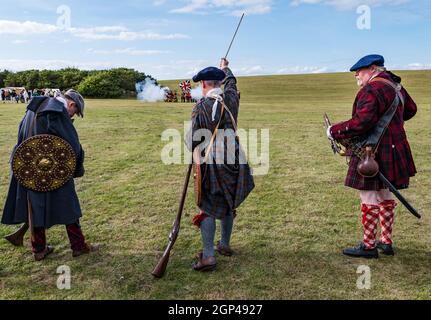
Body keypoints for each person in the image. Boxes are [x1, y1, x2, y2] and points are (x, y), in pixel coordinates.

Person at [327, 54, 417, 258]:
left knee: (368, 194)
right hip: (394, 147)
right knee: (385, 193)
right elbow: (411, 110)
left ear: (374, 68)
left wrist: (333, 131)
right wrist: (391, 123)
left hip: (372, 150)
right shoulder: (396, 86)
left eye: (360, 71)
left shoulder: (371, 89)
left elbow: (361, 123)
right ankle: (385, 241)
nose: (356, 75)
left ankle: (368, 246)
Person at [2, 89, 99, 261]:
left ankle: (38, 249)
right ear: (71, 104)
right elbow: (73, 145)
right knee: (69, 206)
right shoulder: (58, 111)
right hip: (55, 169)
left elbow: (21, 137)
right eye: (74, 112)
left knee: (36, 207)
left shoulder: (33, 107)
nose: (72, 116)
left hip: (30, 170)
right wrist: (77, 169)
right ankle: (78, 246)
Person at [186, 58, 255, 271]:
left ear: (204, 84)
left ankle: (208, 256)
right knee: (227, 202)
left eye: (201, 84)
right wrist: (226, 68)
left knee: (207, 206)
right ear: (220, 83)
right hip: (235, 157)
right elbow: (232, 83)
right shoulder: (231, 99)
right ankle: (224, 244)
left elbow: (192, 142)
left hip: (214, 162)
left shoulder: (201, 107)